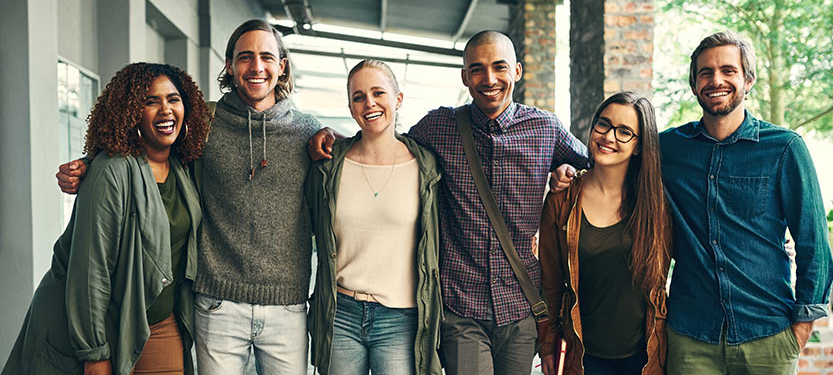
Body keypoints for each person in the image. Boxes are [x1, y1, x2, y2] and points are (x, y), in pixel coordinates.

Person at [551, 31, 833, 375]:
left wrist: (801, 328)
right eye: (705, 72)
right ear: (694, 83)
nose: (716, 80)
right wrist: (569, 170)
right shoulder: (667, 149)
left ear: (748, 80)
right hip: (690, 338)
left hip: (767, 334)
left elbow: (814, 243)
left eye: (728, 71)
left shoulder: (784, 148)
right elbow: (614, 156)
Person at [309, 30, 589, 375]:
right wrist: (337, 142)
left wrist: (569, 171)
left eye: (499, 67)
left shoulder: (546, 129)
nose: (489, 79)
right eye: (477, 69)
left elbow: (598, 165)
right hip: (460, 307)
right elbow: (385, 145)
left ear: (517, 71)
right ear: (464, 76)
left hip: (521, 305)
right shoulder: (439, 126)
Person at [54, 20, 322, 374]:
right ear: (229, 65)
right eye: (245, 57)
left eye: (266, 57)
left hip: (286, 306)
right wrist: (90, 163)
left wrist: (333, 136)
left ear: (282, 65)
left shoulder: (309, 131)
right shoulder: (203, 121)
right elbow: (150, 142)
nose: (256, 67)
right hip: (216, 304)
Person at [2, 62, 209, 375]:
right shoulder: (110, 171)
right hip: (101, 326)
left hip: (162, 321)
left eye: (173, 99)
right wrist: (94, 352)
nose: (165, 110)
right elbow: (90, 269)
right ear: (130, 112)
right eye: (150, 101)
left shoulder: (184, 166)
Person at [305, 59, 442, 375]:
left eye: (378, 92)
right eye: (358, 96)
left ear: (398, 99)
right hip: (340, 313)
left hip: (401, 317)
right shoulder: (329, 165)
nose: (369, 103)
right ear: (351, 106)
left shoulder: (427, 169)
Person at [538, 92, 671, 375]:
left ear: (638, 146)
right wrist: (547, 345)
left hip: (645, 355)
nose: (609, 137)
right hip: (585, 356)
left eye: (624, 132)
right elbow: (550, 284)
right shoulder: (561, 200)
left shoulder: (655, 204)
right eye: (604, 125)